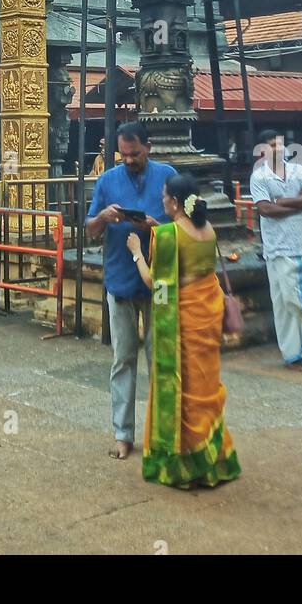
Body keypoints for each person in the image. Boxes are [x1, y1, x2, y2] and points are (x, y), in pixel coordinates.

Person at [126, 175, 241, 489]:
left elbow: (156, 286)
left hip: (183, 324)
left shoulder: (168, 236)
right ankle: (212, 458)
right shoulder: (209, 231)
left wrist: (137, 251)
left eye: (164, 197)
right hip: (208, 315)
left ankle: (182, 464)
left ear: (175, 203)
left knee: (183, 392)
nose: (161, 201)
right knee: (205, 389)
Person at [85, 121, 173, 460]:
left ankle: (162, 432)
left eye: (135, 154)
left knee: (160, 360)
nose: (129, 160)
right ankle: (123, 433)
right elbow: (90, 230)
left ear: (148, 147)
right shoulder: (108, 181)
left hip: (159, 283)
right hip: (120, 279)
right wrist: (104, 218)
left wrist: (153, 227)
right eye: (123, 154)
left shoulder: (167, 175)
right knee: (123, 359)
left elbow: (184, 225)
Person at [249, 130, 302, 376]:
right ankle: (292, 355)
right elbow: (266, 210)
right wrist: (299, 202)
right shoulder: (259, 177)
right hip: (277, 249)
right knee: (286, 303)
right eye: (271, 144)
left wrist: (284, 202)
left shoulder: (299, 171)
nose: (277, 148)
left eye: (279, 143)